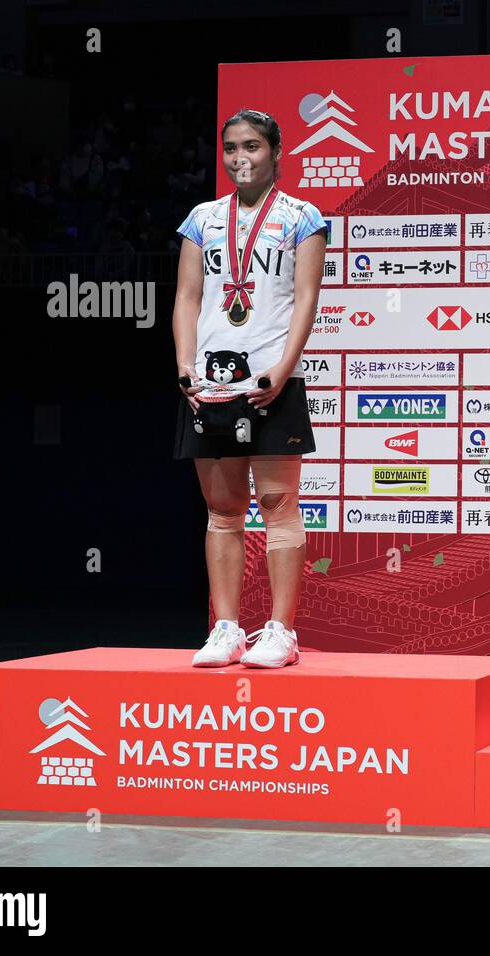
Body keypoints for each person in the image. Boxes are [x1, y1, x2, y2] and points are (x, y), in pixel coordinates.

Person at [172, 108, 328, 668]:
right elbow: (188, 297)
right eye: (232, 148)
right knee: (221, 510)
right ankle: (227, 629)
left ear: (276, 152)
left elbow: (306, 299)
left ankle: (282, 632)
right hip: (210, 385)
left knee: (279, 505)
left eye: (253, 147)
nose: (241, 158)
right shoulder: (202, 219)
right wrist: (184, 365)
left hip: (270, 381)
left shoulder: (302, 218)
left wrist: (283, 370)